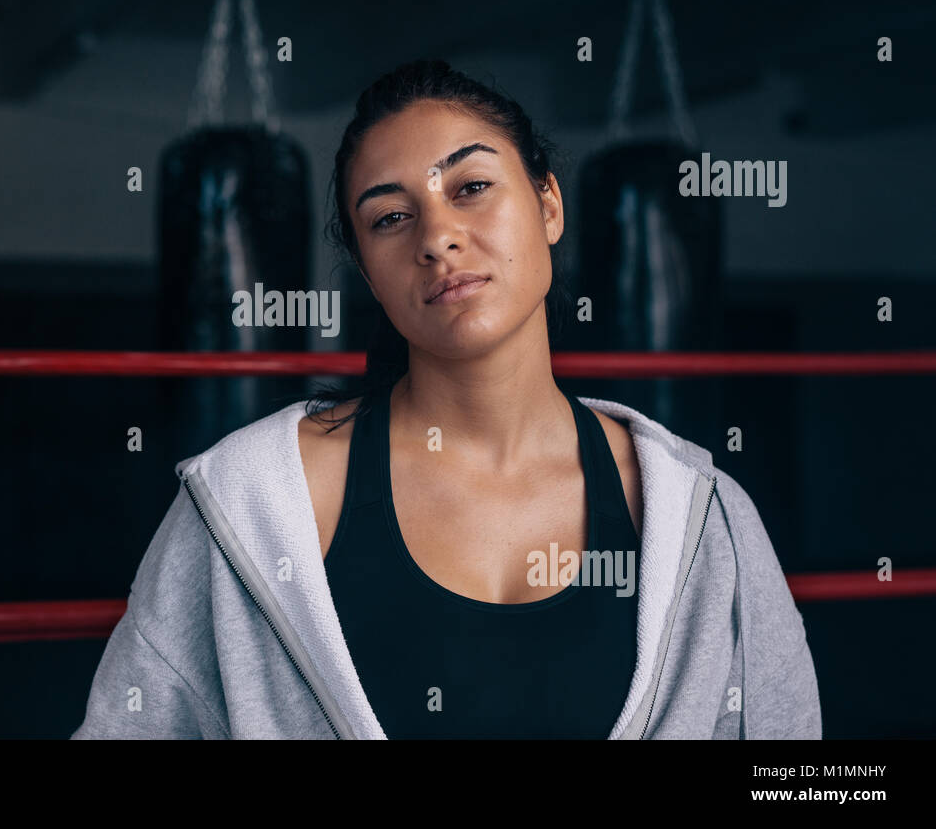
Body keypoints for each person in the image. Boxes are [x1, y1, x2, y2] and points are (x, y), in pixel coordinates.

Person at [71, 59, 821, 739]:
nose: (438, 237)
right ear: (369, 273)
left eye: (471, 188)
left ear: (549, 205)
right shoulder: (248, 499)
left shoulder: (702, 513)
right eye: (390, 218)